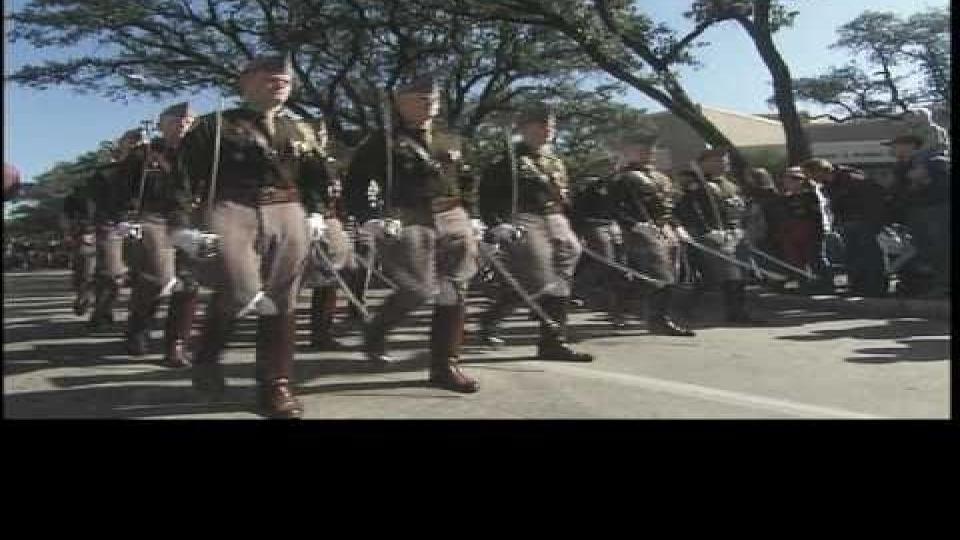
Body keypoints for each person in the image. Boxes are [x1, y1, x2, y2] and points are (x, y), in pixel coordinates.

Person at [175, 54, 335, 418]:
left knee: (282, 299)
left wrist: (316, 213)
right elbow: (182, 178)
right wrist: (183, 222)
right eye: (269, 77)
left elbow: (316, 177)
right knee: (241, 289)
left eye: (285, 80)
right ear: (244, 82)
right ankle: (208, 354)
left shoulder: (300, 130)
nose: (279, 83)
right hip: (232, 207)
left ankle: (276, 385)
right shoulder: (213, 126)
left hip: (287, 209)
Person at [345, 74, 482, 392]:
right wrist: (368, 217)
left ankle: (445, 366)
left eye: (433, 97)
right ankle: (377, 329)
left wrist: (474, 215)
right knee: (418, 288)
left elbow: (468, 180)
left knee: (455, 288)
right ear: (399, 102)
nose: (429, 102)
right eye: (420, 97)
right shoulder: (382, 141)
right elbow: (355, 184)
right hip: (408, 216)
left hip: (453, 214)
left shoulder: (451, 140)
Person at [475, 107, 593, 361]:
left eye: (550, 125)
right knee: (539, 280)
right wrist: (495, 224)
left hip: (556, 219)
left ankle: (553, 342)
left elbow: (563, 199)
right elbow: (487, 196)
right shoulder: (507, 159)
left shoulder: (555, 162)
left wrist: (574, 226)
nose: (547, 130)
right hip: (524, 218)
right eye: (539, 125)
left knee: (561, 280)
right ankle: (491, 318)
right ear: (523, 128)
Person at [123, 102, 198, 368]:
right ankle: (138, 327)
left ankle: (176, 345)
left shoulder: (203, 155)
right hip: (154, 218)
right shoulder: (144, 155)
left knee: (189, 282)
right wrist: (126, 217)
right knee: (156, 277)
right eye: (176, 120)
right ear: (161, 123)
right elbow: (123, 188)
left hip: (191, 220)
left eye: (188, 121)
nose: (183, 124)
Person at [604, 133, 695, 336]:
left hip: (664, 229)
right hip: (638, 231)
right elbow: (613, 207)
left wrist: (677, 226)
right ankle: (658, 320)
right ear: (628, 152)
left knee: (667, 272)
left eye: (650, 149)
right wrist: (634, 224)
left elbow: (667, 207)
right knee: (659, 274)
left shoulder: (660, 177)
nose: (648, 152)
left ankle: (621, 306)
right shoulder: (622, 177)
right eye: (642, 149)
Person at [674, 147, 759, 324]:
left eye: (725, 159)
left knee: (737, 275)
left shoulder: (729, 184)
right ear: (705, 163)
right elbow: (689, 210)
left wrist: (740, 228)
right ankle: (682, 308)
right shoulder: (694, 184)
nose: (724, 163)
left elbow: (738, 208)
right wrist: (707, 231)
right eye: (718, 160)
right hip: (709, 234)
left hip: (733, 233)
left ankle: (737, 312)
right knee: (714, 276)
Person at [298, 119, 353, 351]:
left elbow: (336, 192)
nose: (320, 135)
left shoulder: (327, 161)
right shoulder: (298, 159)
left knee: (336, 273)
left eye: (322, 131)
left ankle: (322, 332)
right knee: (293, 275)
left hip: (330, 218)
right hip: (301, 216)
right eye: (314, 131)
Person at [802, 158, 888, 297]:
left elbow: (873, 198)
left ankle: (875, 287)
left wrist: (872, 221)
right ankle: (859, 285)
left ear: (818, 171)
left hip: (863, 221)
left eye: (810, 174)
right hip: (847, 222)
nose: (809, 178)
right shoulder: (829, 184)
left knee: (869, 255)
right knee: (852, 255)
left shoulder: (851, 179)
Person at [86, 129, 141, 330]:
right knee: (112, 271)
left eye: (140, 141)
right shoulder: (105, 172)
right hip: (111, 224)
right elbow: (93, 202)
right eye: (132, 140)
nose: (137, 144)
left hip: (142, 223)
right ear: (122, 144)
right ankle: (102, 309)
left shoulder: (150, 169)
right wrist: (90, 228)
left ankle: (139, 320)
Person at [885, 133, 951, 297]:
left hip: (935, 210)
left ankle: (944, 285)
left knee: (940, 247)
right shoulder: (901, 166)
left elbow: (941, 183)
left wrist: (924, 179)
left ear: (910, 145)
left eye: (895, 145)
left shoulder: (933, 160)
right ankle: (937, 283)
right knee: (924, 248)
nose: (892, 149)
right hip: (915, 211)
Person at [773, 167, 823, 291]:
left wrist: (819, 230)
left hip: (808, 231)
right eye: (786, 180)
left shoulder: (810, 196)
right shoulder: (784, 198)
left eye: (790, 180)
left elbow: (817, 215)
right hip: (790, 233)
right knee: (795, 260)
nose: (787, 183)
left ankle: (822, 284)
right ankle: (803, 285)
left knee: (814, 259)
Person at [62, 183, 97, 315]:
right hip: (84, 236)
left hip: (107, 232)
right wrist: (68, 234)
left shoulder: (115, 191)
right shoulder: (71, 200)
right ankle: (83, 296)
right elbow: (65, 218)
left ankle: (103, 306)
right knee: (85, 270)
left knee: (110, 273)